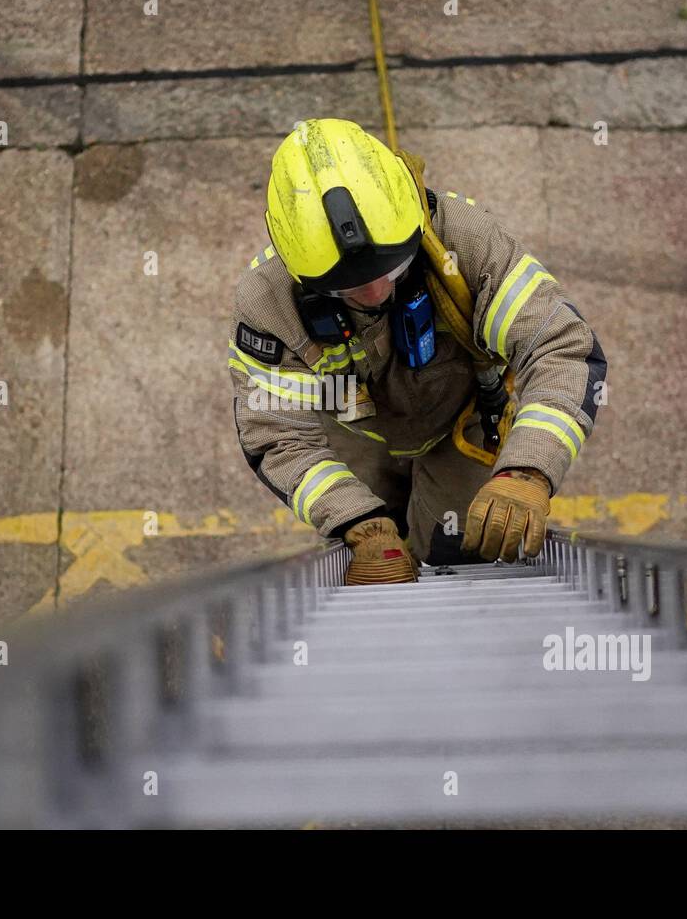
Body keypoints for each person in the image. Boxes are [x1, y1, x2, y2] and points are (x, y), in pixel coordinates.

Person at [227, 119, 606, 585]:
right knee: (372, 555)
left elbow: (559, 348)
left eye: (394, 267)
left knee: (460, 547)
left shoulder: (466, 239)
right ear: (293, 263)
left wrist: (527, 470)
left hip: (463, 423)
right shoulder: (267, 304)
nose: (374, 294)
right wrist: (357, 522)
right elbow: (279, 436)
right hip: (357, 434)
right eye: (347, 287)